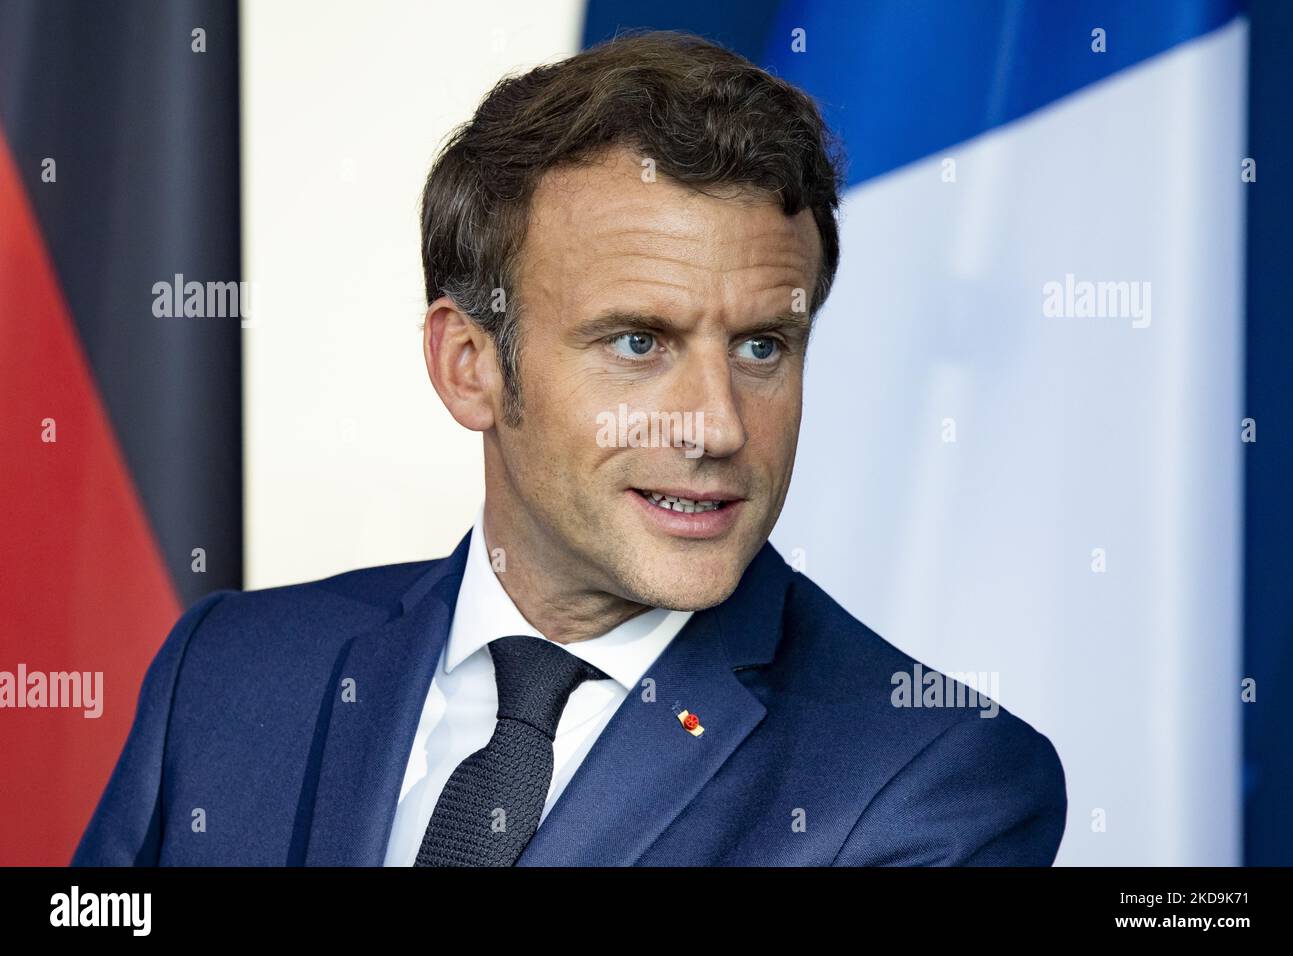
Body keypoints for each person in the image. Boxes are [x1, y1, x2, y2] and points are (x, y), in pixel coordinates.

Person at [73, 30, 1066, 867]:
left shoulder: (936, 782)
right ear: (469, 364)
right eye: (638, 342)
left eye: (763, 345)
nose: (718, 426)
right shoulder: (226, 670)